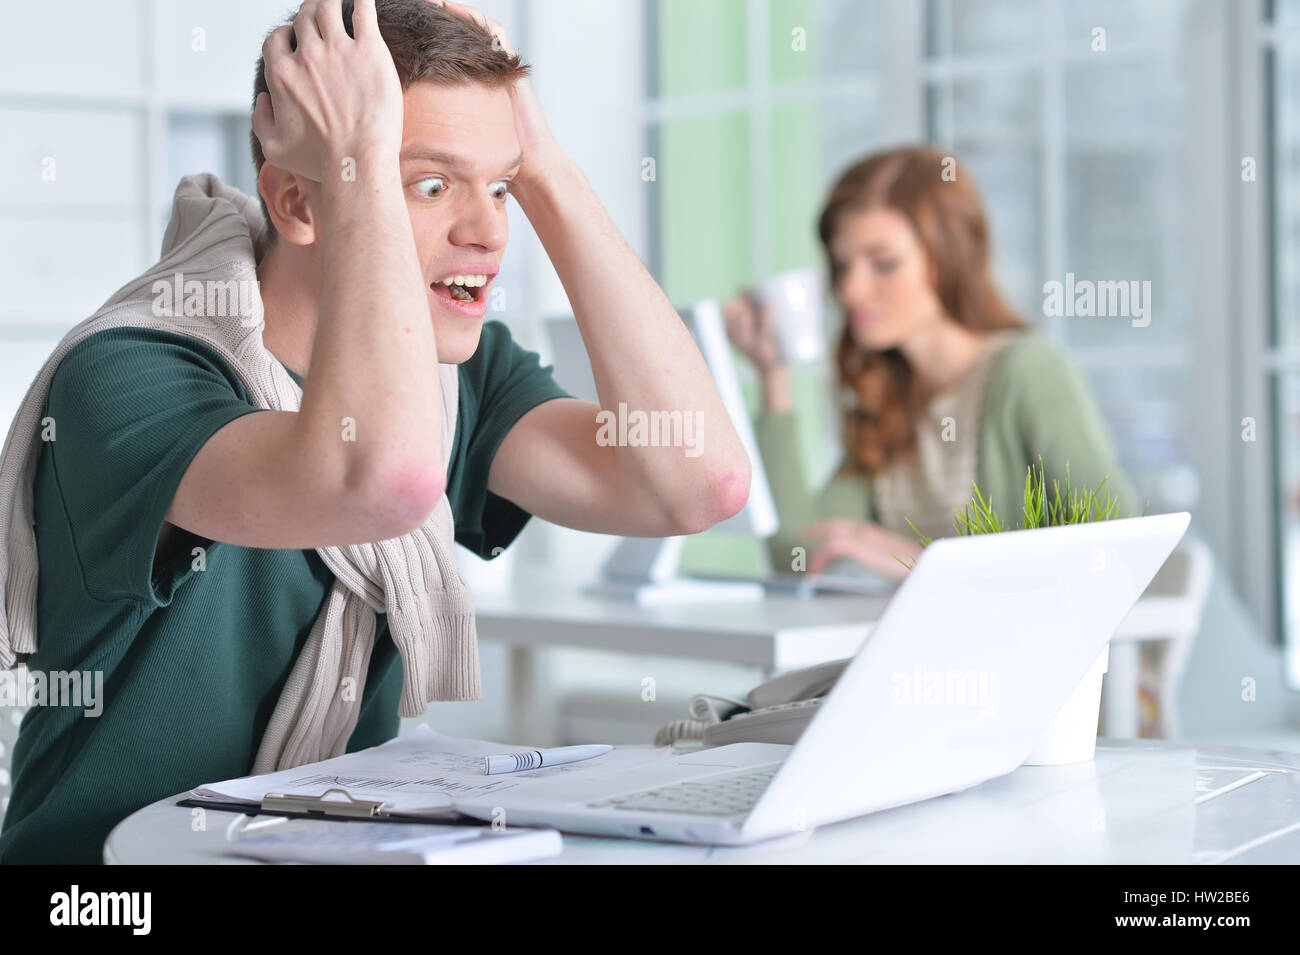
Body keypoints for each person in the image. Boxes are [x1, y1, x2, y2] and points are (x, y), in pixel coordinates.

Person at [0, 0, 750, 864]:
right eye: (431, 185)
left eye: (499, 188)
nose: (489, 230)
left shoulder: (453, 373)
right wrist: (355, 159)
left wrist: (544, 163)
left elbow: (698, 482)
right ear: (299, 201)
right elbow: (378, 478)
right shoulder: (131, 375)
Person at [724, 146, 1137, 581]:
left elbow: (1120, 555)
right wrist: (773, 373)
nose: (850, 291)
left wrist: (922, 565)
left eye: (883, 263)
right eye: (843, 266)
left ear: (947, 258)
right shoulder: (885, 395)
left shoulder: (1027, 372)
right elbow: (797, 552)